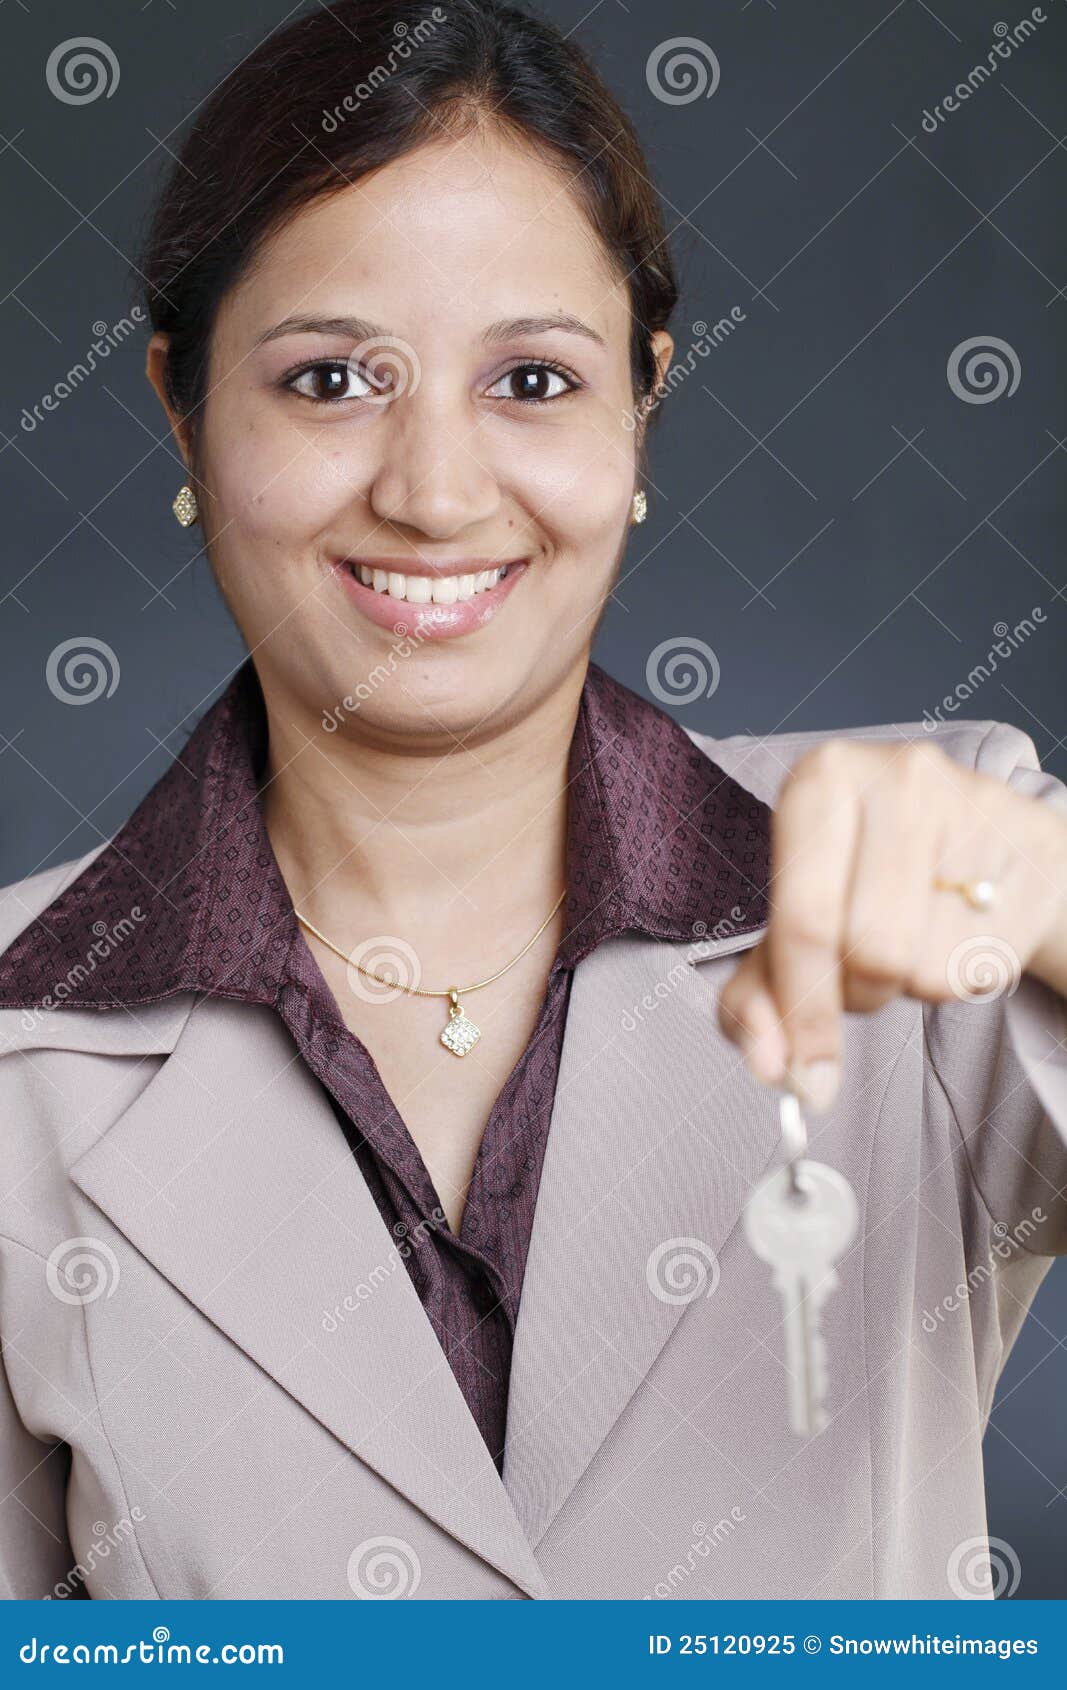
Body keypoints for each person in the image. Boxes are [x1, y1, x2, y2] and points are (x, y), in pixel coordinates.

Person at [0, 0, 1064, 1602]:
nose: (434, 492)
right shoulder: (20, 1045)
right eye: (331, 377)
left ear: (643, 403)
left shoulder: (930, 887)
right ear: (185, 409)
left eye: (534, 379)